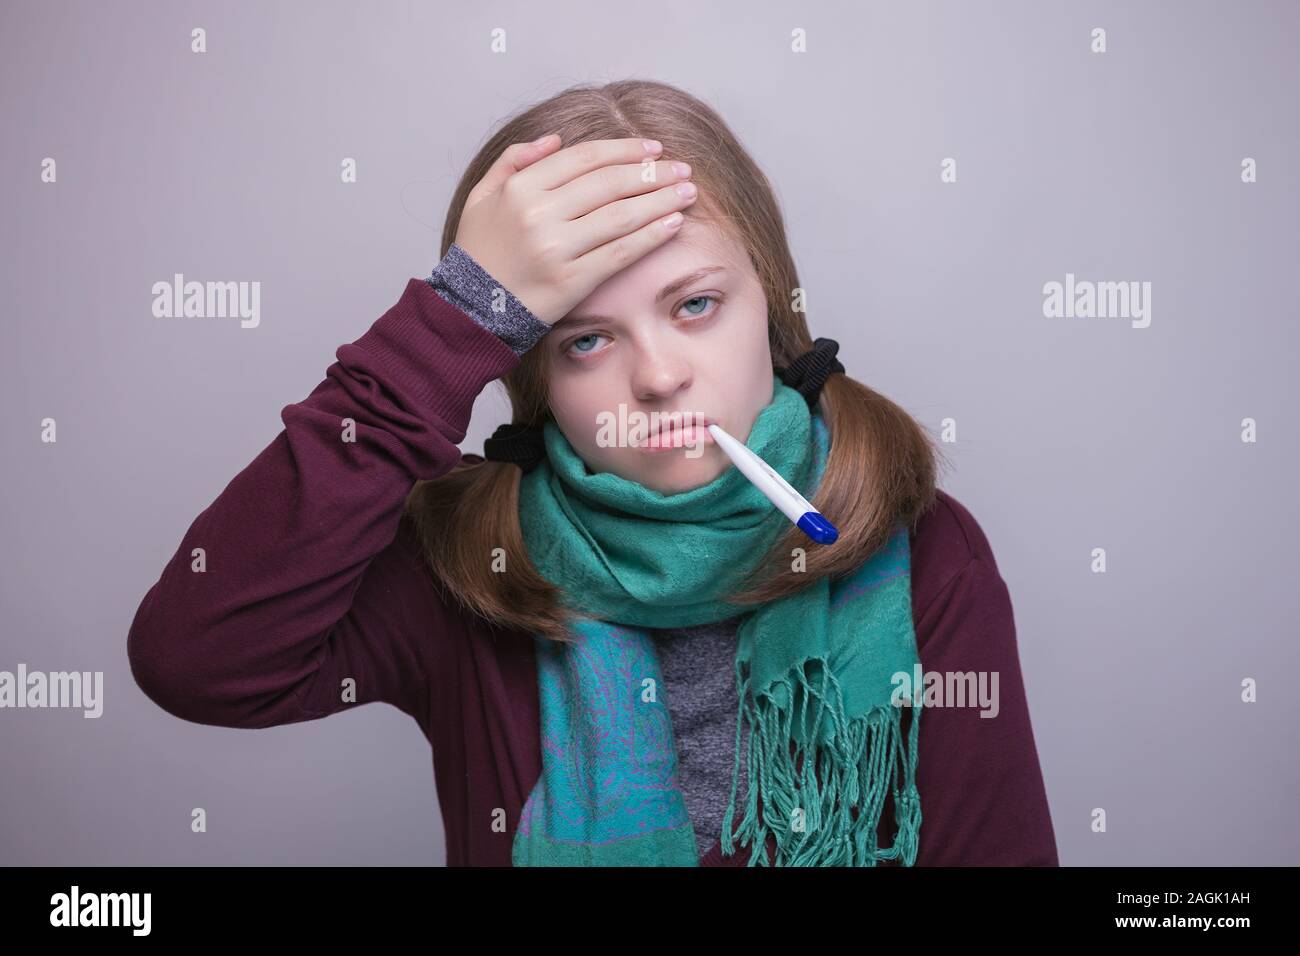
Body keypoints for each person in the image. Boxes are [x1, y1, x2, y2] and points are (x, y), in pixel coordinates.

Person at [127, 79, 1058, 867]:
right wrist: (454, 320)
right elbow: (197, 661)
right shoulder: (465, 563)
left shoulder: (926, 552)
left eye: (696, 304)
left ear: (771, 305)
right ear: (530, 371)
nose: (657, 377)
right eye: (585, 338)